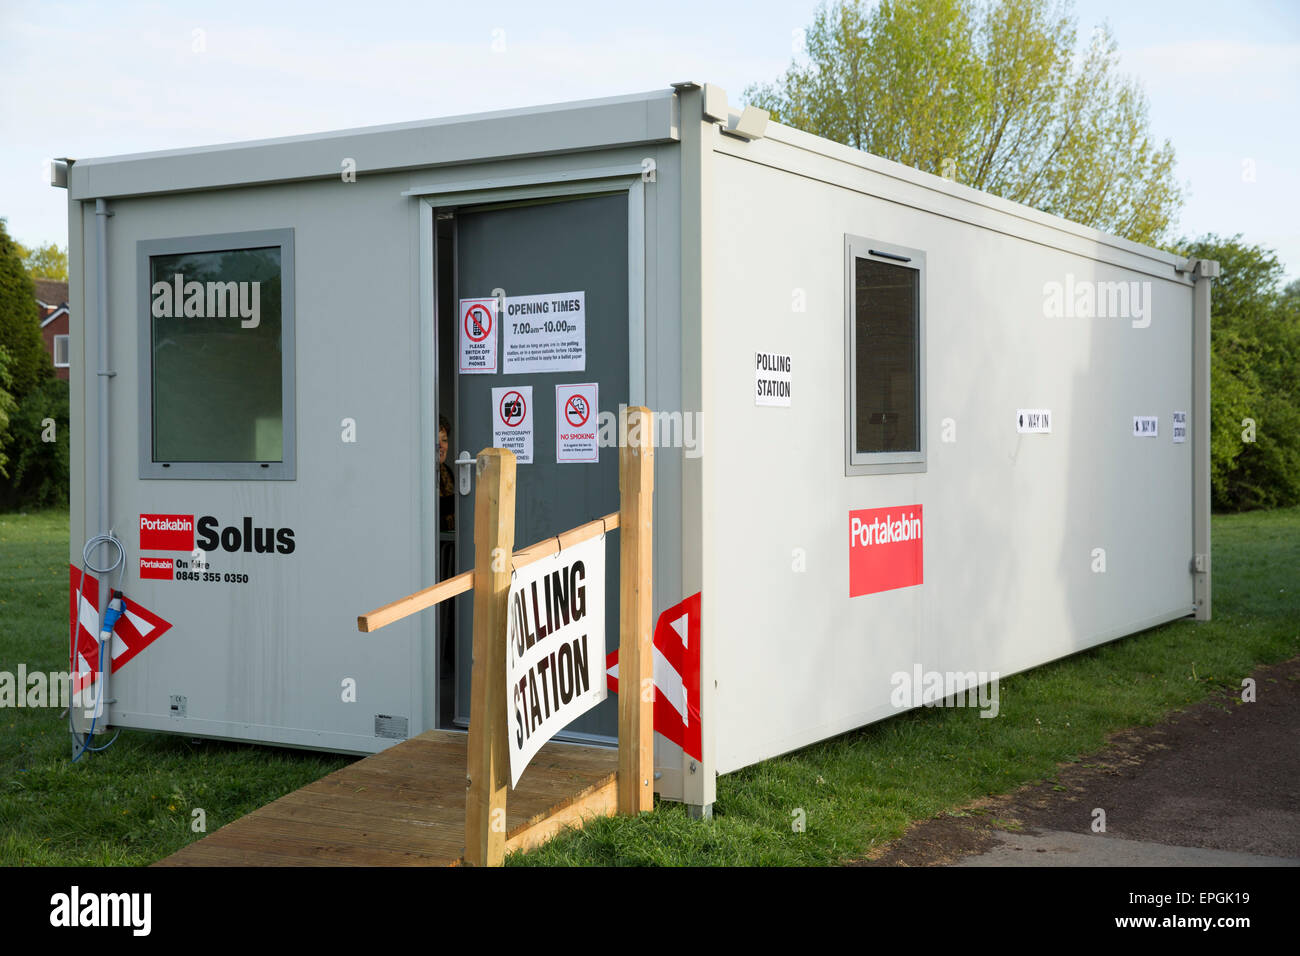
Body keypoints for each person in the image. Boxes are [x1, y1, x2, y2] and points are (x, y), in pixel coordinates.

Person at [438, 415, 455, 533]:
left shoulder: (447, 472)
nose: (441, 446)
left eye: (444, 440)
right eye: (435, 440)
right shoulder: (420, 473)